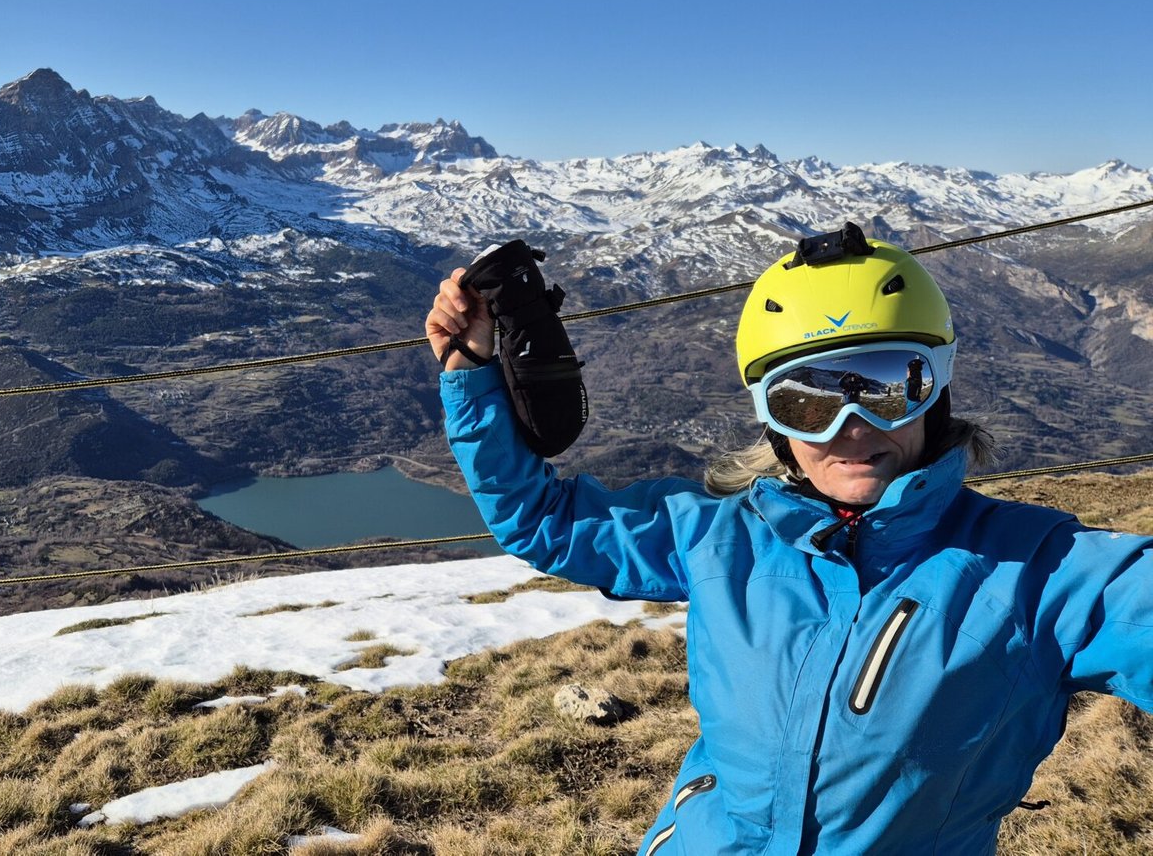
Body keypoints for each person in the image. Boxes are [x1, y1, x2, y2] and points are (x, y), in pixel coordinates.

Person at [425, 230, 1153, 855]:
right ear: (774, 423)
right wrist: (471, 373)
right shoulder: (720, 535)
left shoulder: (1037, 573)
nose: (850, 427)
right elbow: (542, 519)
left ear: (940, 391)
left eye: (888, 384)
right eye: (805, 399)